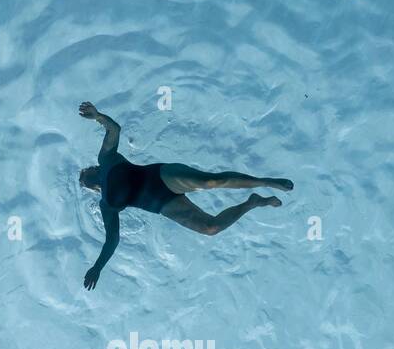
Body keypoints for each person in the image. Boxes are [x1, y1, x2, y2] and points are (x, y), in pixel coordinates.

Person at [77, 101, 294, 290]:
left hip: (160, 176)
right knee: (211, 228)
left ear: (93, 168)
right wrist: (98, 267)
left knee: (211, 181)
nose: (84, 178)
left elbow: (114, 129)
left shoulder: (106, 160)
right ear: (94, 190)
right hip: (162, 203)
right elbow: (112, 240)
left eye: (84, 173)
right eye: (83, 182)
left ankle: (266, 181)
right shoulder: (107, 205)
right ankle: (253, 203)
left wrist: (98, 116)